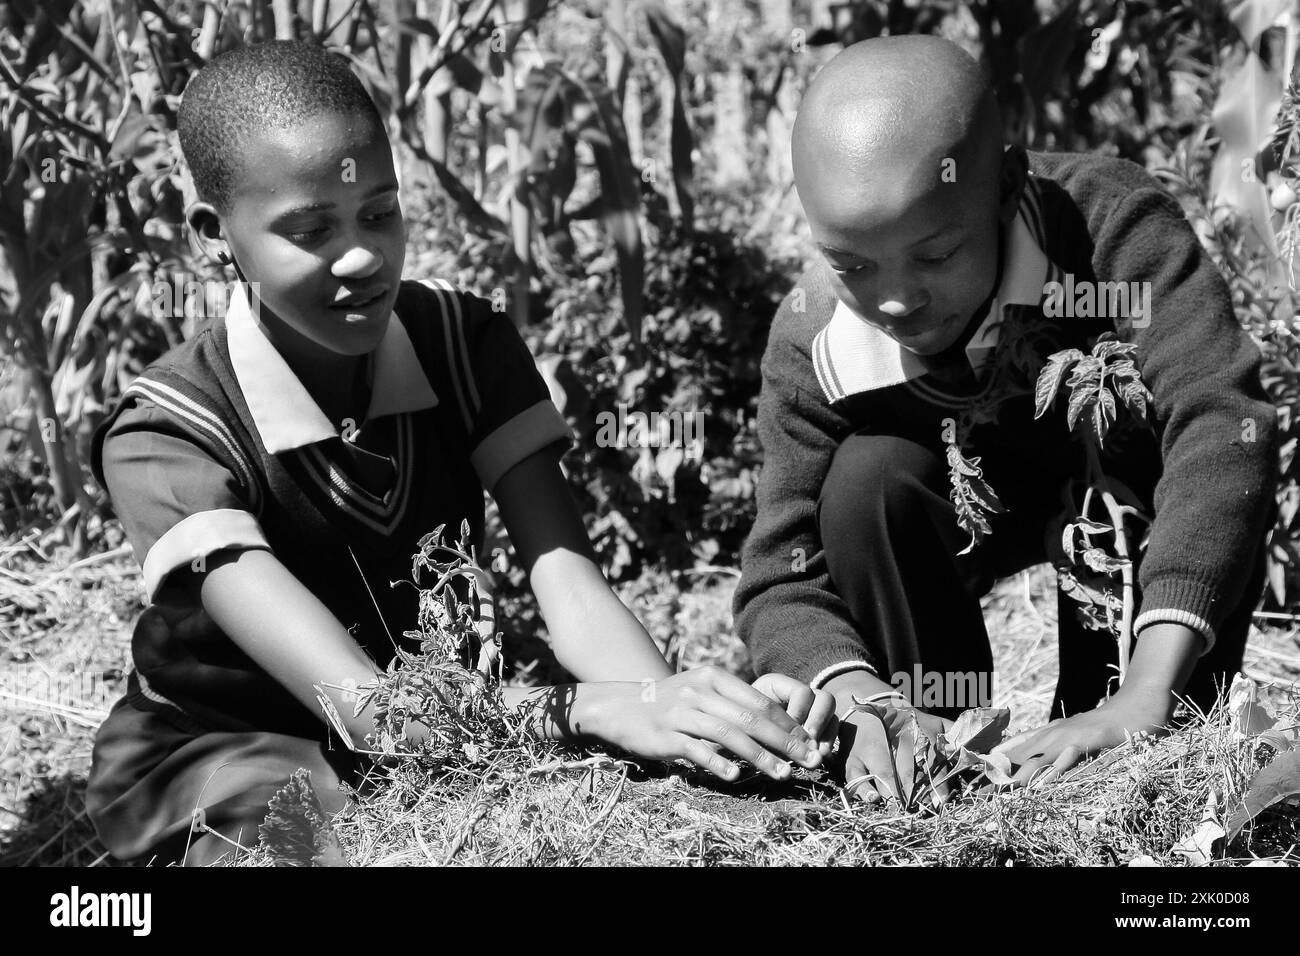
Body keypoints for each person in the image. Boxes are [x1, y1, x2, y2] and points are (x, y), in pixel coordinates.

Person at [86, 40, 835, 866]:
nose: (363, 255)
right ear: (212, 236)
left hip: (450, 728)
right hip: (236, 755)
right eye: (310, 231)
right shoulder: (169, 434)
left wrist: (678, 713)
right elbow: (366, 709)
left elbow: (572, 592)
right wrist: (584, 710)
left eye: (380, 211)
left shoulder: (463, 342)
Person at [733, 35, 1278, 804]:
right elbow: (777, 575)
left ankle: (1140, 696)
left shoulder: (1105, 228)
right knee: (869, 480)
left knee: (1116, 778)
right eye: (851, 264)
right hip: (974, 508)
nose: (894, 300)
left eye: (935, 254)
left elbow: (1224, 423)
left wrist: (1144, 695)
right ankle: (934, 745)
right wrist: (861, 697)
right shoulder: (815, 337)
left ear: (1005, 187)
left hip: (1126, 514)